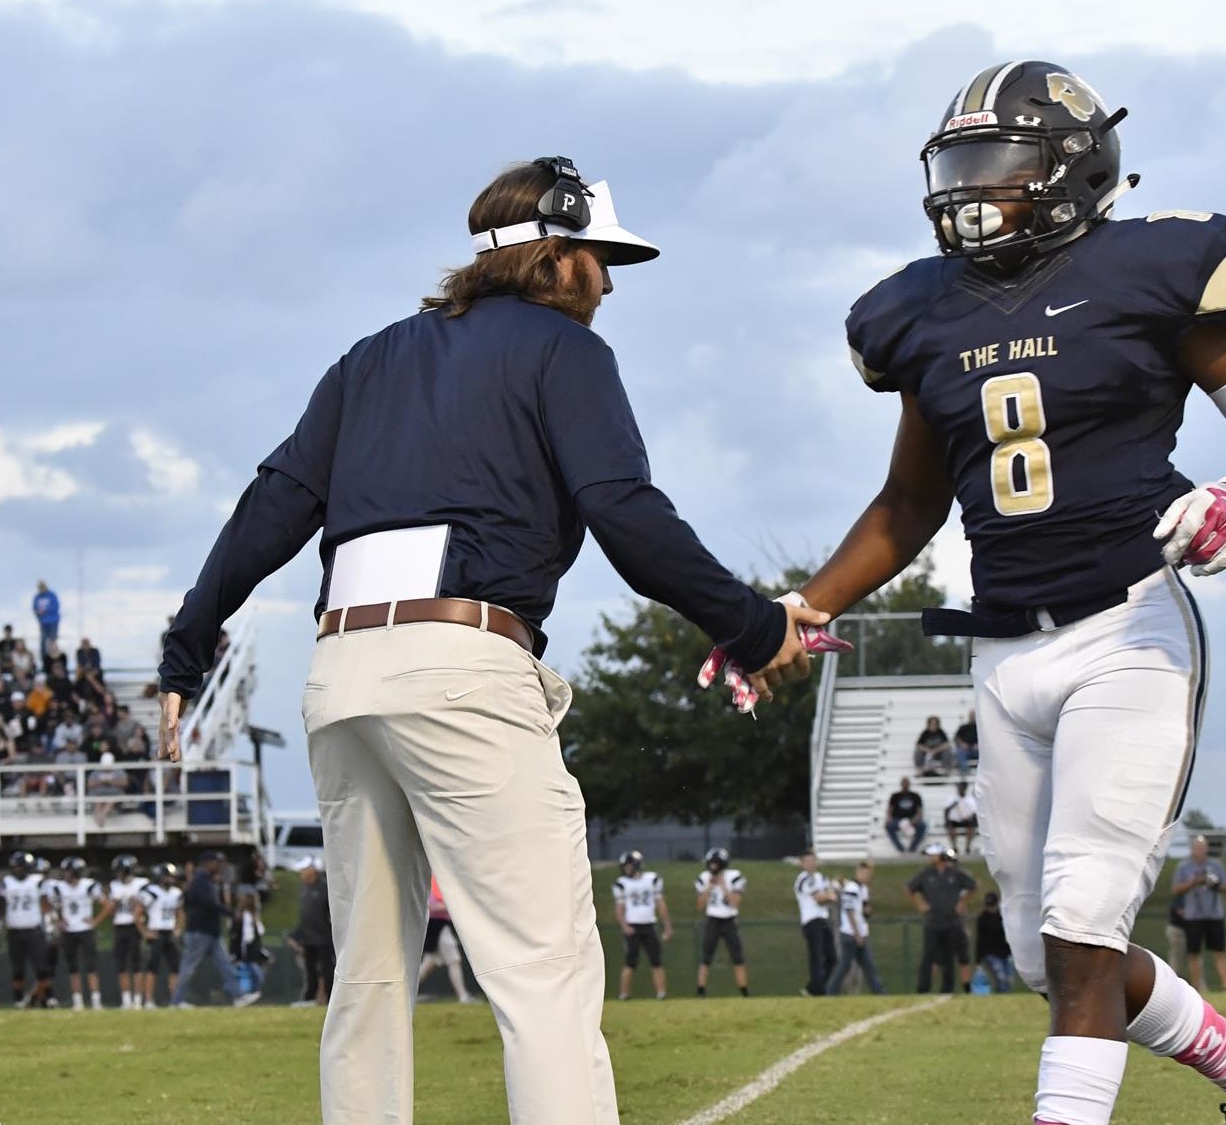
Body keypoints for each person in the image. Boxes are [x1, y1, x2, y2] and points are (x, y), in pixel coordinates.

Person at [156, 157, 822, 1125]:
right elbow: (621, 512)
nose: (609, 280)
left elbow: (274, 506)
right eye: (599, 257)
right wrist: (752, 622)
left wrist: (187, 643)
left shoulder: (368, 357)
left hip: (341, 669)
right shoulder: (564, 352)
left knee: (367, 981)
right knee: (540, 971)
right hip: (462, 661)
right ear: (554, 257)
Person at [784, 59, 1226, 1125]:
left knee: (1080, 931)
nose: (969, 191)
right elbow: (905, 503)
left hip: (1127, 629)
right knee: (1044, 952)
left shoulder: (1149, 269)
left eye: (998, 166)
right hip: (1001, 655)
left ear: (1072, 170)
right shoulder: (921, 314)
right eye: (959, 167)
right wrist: (803, 607)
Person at [172, 851, 259, 1008]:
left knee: (225, 964)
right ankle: (177, 1001)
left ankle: (239, 996)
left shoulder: (207, 880)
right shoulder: (201, 880)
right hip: (200, 930)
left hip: (210, 931)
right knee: (188, 966)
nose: (219, 866)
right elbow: (208, 903)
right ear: (207, 863)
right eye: (216, 862)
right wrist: (231, 913)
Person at [907, 844, 976, 994]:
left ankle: (947, 989)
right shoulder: (926, 874)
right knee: (929, 956)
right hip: (933, 921)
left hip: (951, 921)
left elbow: (973, 885)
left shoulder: (955, 874)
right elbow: (910, 888)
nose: (931, 857)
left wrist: (962, 903)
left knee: (949, 957)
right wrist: (921, 905)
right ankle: (923, 988)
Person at [1173, 836, 1226, 992]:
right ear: (1192, 849)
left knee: (1220, 950)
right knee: (1194, 953)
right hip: (1193, 916)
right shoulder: (1183, 867)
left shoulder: (1216, 865)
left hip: (1214, 915)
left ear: (1207, 849)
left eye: (1203, 848)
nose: (1200, 851)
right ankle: (1197, 989)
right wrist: (1193, 882)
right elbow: (1175, 889)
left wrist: (1216, 885)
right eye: (1197, 848)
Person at [611, 850, 671, 1001]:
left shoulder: (652, 879)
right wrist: (624, 926)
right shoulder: (621, 883)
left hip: (649, 925)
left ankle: (661, 993)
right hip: (632, 926)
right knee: (630, 962)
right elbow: (619, 909)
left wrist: (667, 926)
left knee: (656, 961)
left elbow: (661, 904)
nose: (627, 868)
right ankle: (624, 994)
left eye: (629, 865)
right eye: (625, 866)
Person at [51, 856, 108, 1010]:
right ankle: (77, 1001)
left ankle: (96, 1000)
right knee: (73, 967)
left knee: (91, 966)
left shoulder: (89, 886)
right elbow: (54, 907)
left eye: (68, 871)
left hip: (85, 930)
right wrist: (58, 921)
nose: (65, 874)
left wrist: (95, 921)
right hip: (69, 931)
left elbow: (107, 905)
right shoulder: (59, 887)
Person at [695, 848, 750, 998]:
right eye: (711, 864)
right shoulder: (704, 878)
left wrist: (723, 886)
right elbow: (699, 906)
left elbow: (734, 903)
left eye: (715, 863)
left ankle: (744, 991)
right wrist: (709, 888)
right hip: (712, 919)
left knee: (738, 957)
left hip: (729, 920)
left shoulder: (734, 877)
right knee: (706, 957)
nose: (713, 866)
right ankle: (700, 990)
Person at [826, 862, 885, 996]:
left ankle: (879, 992)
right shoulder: (852, 888)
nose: (867, 876)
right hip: (850, 934)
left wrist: (867, 911)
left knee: (867, 966)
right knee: (845, 966)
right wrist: (856, 933)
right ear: (858, 872)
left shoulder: (863, 889)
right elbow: (849, 911)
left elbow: (863, 909)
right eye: (865, 873)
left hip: (861, 933)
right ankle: (831, 991)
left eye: (869, 874)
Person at [0, 851, 47, 1007]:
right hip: (15, 930)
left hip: (34, 929)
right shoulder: (6, 882)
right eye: (15, 867)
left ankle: (42, 998)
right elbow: (1, 905)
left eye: (19, 867)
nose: (17, 870)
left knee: (41, 968)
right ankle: (18, 1000)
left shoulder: (38, 881)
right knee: (18, 969)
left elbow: (45, 904)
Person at [416, 875, 473, 1003]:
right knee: (454, 959)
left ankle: (405, 993)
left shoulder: (443, 881)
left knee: (428, 964)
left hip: (442, 926)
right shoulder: (429, 880)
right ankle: (463, 996)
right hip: (436, 926)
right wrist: (451, 906)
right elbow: (430, 906)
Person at [288, 856, 336, 1007]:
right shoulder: (305, 889)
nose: (302, 873)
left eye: (305, 870)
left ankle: (331, 999)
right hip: (308, 938)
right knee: (310, 971)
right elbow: (305, 915)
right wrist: (297, 935)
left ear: (313, 871)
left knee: (327, 969)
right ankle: (309, 998)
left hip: (323, 937)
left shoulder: (324, 888)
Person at [106, 855, 150, 1010]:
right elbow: (110, 910)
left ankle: (138, 1000)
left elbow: (147, 905)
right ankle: (126, 1000)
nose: (118, 874)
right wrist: (115, 903)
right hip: (120, 926)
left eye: (120, 871)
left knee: (137, 965)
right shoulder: (114, 885)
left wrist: (136, 904)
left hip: (135, 926)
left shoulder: (142, 884)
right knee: (121, 965)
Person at [140, 862, 186, 1008]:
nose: (170, 879)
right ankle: (148, 1000)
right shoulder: (151, 892)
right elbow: (137, 913)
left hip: (169, 932)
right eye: (167, 876)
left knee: (176, 967)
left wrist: (177, 929)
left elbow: (180, 913)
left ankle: (175, 1000)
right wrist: (144, 931)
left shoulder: (176, 893)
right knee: (152, 967)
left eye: (171, 876)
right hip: (156, 931)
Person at [793, 850, 838, 997]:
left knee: (831, 957)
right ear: (802, 863)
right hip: (811, 921)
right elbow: (820, 898)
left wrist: (830, 894)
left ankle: (816, 988)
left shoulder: (820, 877)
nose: (811, 864)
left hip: (824, 919)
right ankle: (817, 989)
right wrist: (829, 895)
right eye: (808, 861)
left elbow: (831, 892)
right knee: (817, 956)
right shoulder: (804, 879)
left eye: (813, 861)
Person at [977, 891, 1015, 994]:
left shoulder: (1004, 916)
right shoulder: (983, 918)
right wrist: (979, 958)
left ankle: (1006, 996)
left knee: (1009, 979)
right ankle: (1002, 994)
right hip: (991, 953)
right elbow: (980, 939)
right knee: (1000, 977)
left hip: (1006, 953)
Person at [885, 778, 926, 853]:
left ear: (909, 784)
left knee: (922, 825)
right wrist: (889, 818)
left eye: (906, 783)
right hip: (898, 819)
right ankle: (901, 849)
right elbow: (890, 809)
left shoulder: (915, 796)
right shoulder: (895, 796)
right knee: (888, 826)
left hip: (911, 818)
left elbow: (919, 811)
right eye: (904, 783)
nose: (905, 785)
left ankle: (912, 848)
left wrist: (915, 819)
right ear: (901, 784)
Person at [944, 781, 980, 856]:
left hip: (966, 820)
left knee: (972, 825)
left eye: (961, 787)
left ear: (965, 789)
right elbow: (946, 810)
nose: (959, 789)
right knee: (949, 826)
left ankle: (967, 847)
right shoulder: (952, 798)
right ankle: (954, 847)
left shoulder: (969, 799)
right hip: (955, 821)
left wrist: (969, 817)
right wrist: (953, 805)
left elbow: (974, 812)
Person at [32, 580, 60, 660]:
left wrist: (45, 610)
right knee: (43, 641)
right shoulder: (37, 597)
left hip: (53, 622)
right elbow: (34, 608)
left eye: (42, 586)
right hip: (43, 623)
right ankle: (44, 659)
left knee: (52, 641)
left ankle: (54, 658)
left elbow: (56, 607)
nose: (41, 589)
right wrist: (38, 614)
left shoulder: (52, 595)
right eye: (39, 587)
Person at [953, 710, 980, 775]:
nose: (972, 717)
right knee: (959, 752)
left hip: (977, 749)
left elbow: (986, 739)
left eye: (973, 716)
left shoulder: (980, 727)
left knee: (986, 753)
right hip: (966, 749)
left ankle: (982, 773)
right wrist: (962, 744)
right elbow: (956, 738)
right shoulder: (963, 727)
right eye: (971, 716)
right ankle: (965, 773)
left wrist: (980, 745)